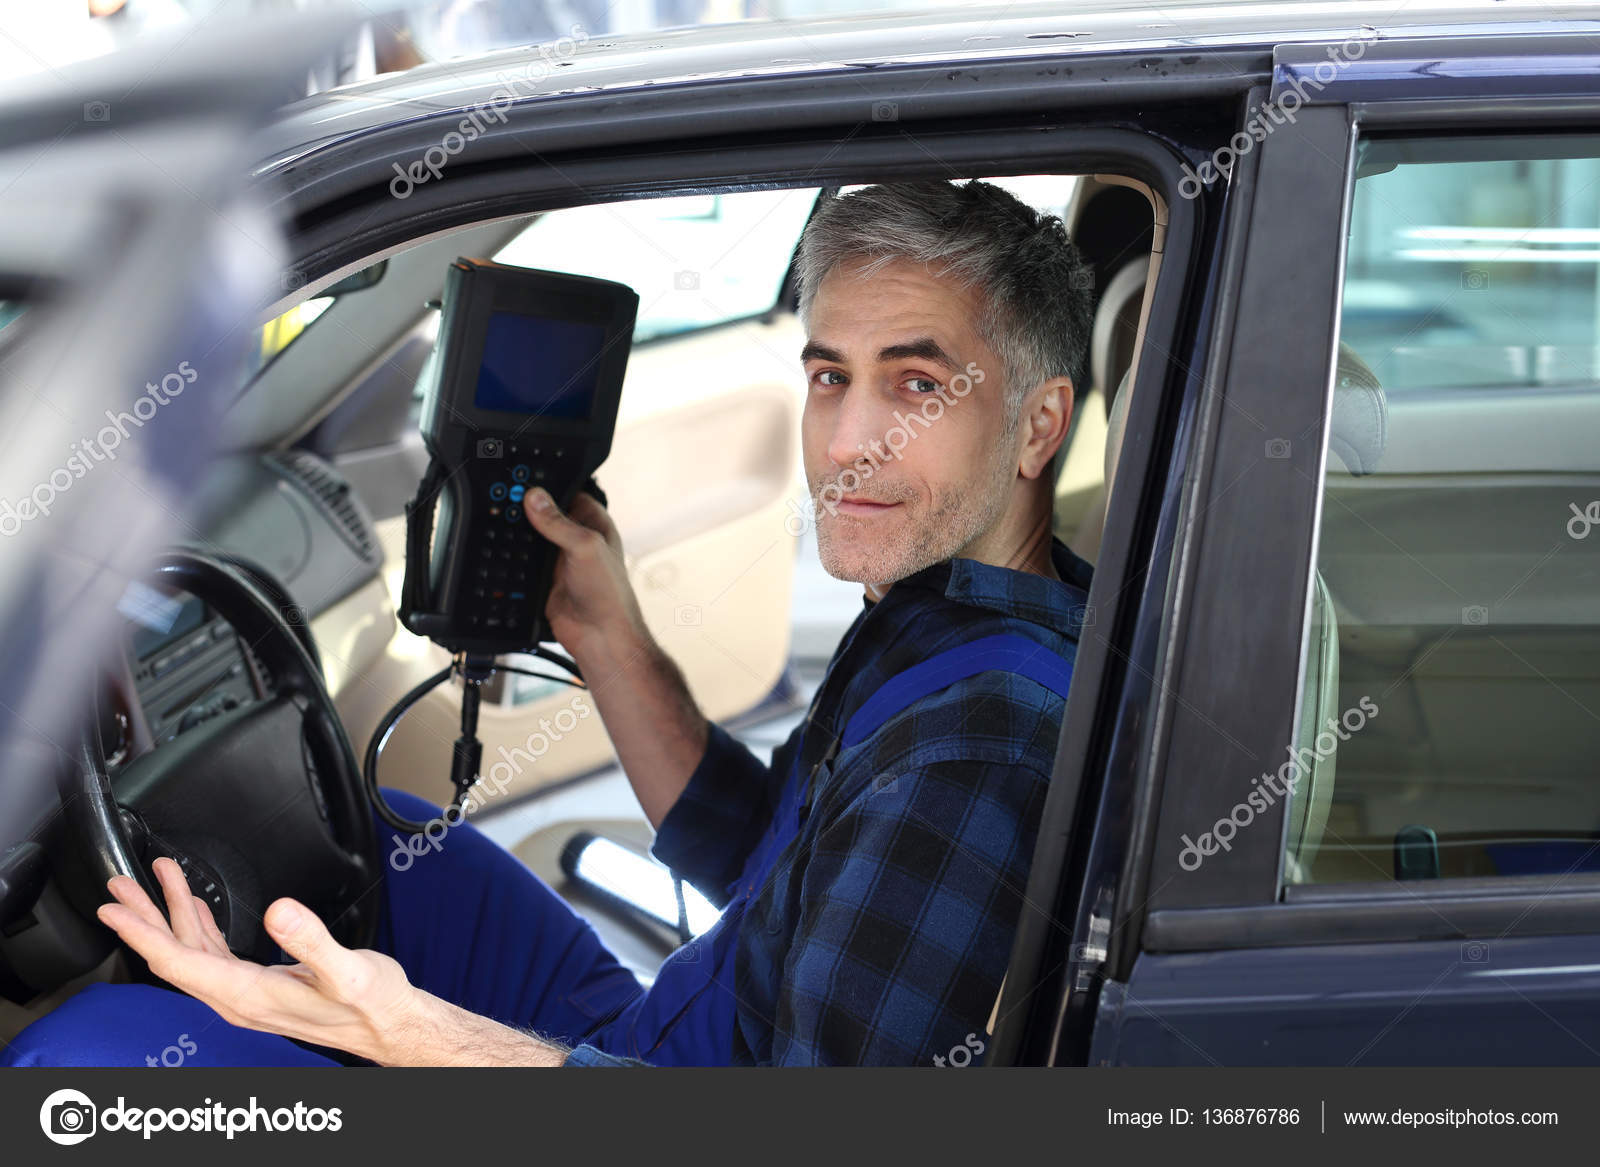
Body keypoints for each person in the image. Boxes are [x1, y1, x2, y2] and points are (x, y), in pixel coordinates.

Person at [4, 179, 1097, 1067]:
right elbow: (770, 855)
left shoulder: (977, 737)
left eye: (916, 385)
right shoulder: (944, 609)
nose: (849, 440)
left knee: (88, 1059)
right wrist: (610, 640)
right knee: (382, 838)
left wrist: (410, 1035)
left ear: (1036, 425)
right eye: (829, 375)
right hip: (672, 1029)